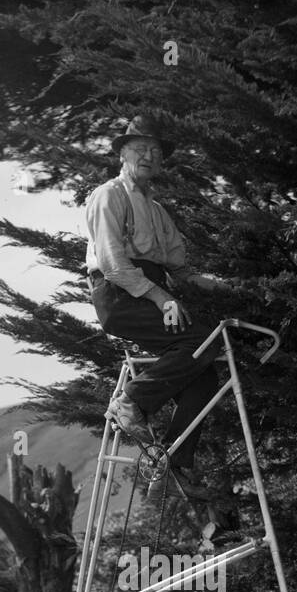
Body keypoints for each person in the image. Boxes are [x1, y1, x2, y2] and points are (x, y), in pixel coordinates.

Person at [85, 115, 229, 499]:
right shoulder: (109, 195)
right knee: (199, 340)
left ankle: (176, 461)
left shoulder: (159, 211)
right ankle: (131, 401)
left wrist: (227, 288)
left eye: (155, 151)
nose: (148, 156)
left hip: (150, 290)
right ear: (122, 153)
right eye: (140, 148)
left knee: (204, 375)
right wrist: (161, 297)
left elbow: (181, 272)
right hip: (119, 293)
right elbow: (114, 264)